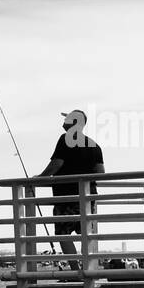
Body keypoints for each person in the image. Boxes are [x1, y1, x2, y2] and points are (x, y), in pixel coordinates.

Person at [36, 110, 105, 263]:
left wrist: (39, 179)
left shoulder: (65, 139)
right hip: (88, 199)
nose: (64, 120)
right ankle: (88, 270)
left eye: (67, 118)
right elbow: (100, 173)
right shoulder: (94, 145)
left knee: (62, 234)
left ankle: (76, 270)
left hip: (66, 197)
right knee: (86, 235)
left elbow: (56, 164)